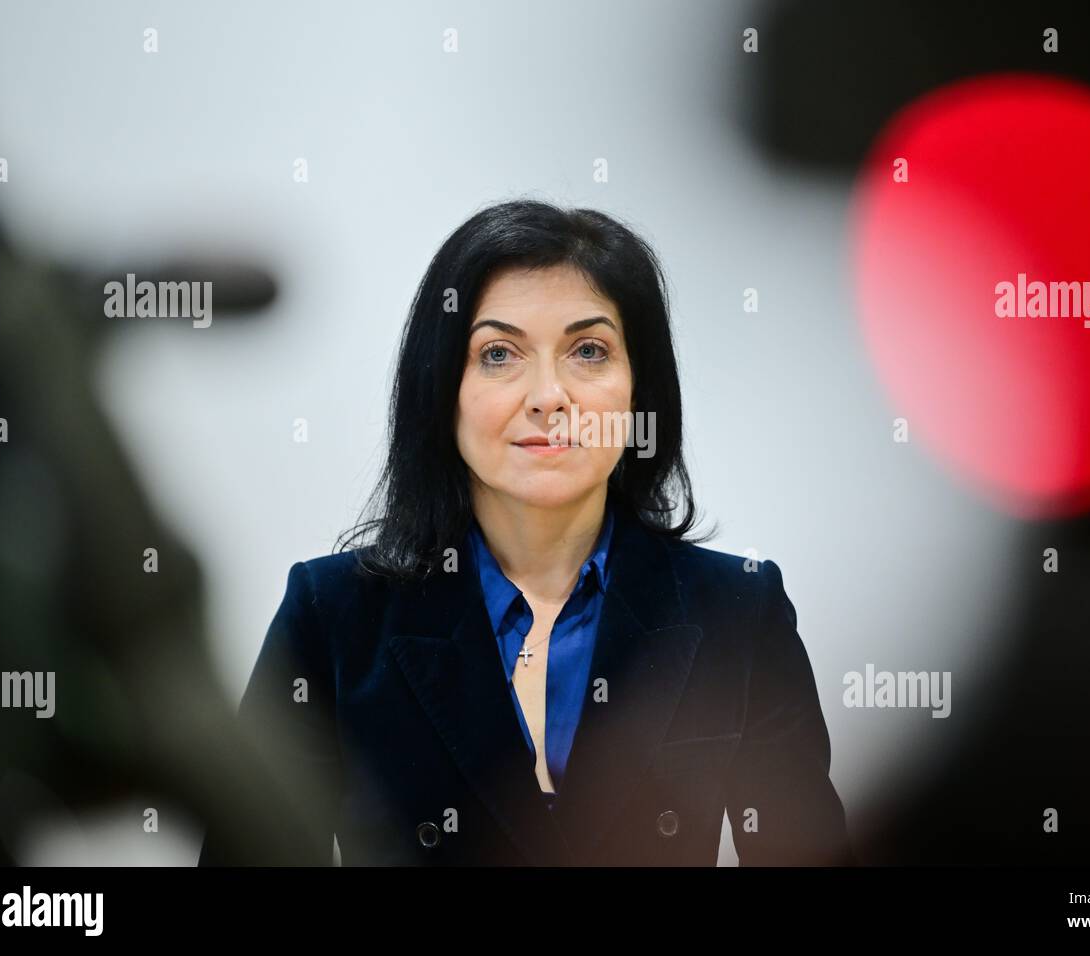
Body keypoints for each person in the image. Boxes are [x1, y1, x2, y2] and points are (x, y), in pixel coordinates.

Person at [197, 199, 853, 866]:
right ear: (442, 388)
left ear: (639, 392)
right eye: (500, 353)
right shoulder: (332, 616)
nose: (548, 395)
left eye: (589, 350)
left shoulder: (739, 611)